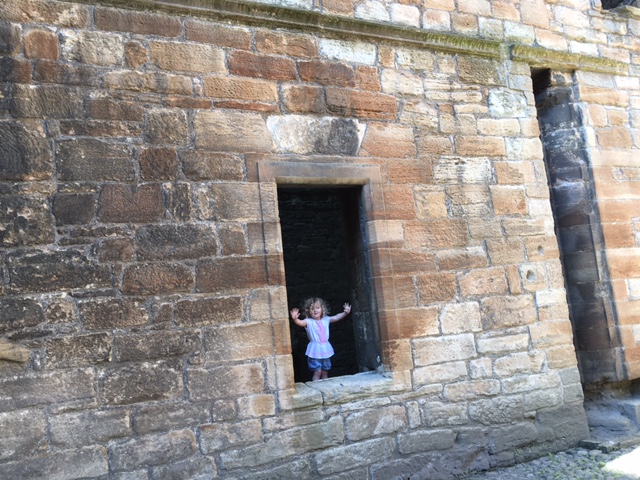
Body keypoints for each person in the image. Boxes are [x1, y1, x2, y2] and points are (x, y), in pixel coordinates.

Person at [290, 297, 351, 381]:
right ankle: (316, 386)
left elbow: (336, 317)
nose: (315, 310)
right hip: (315, 349)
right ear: (308, 311)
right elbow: (300, 323)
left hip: (325, 349)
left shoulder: (326, 319)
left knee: (325, 371)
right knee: (317, 372)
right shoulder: (308, 321)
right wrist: (295, 319)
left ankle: (325, 385)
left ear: (322, 309)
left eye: (317, 308)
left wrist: (345, 313)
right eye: (312, 309)